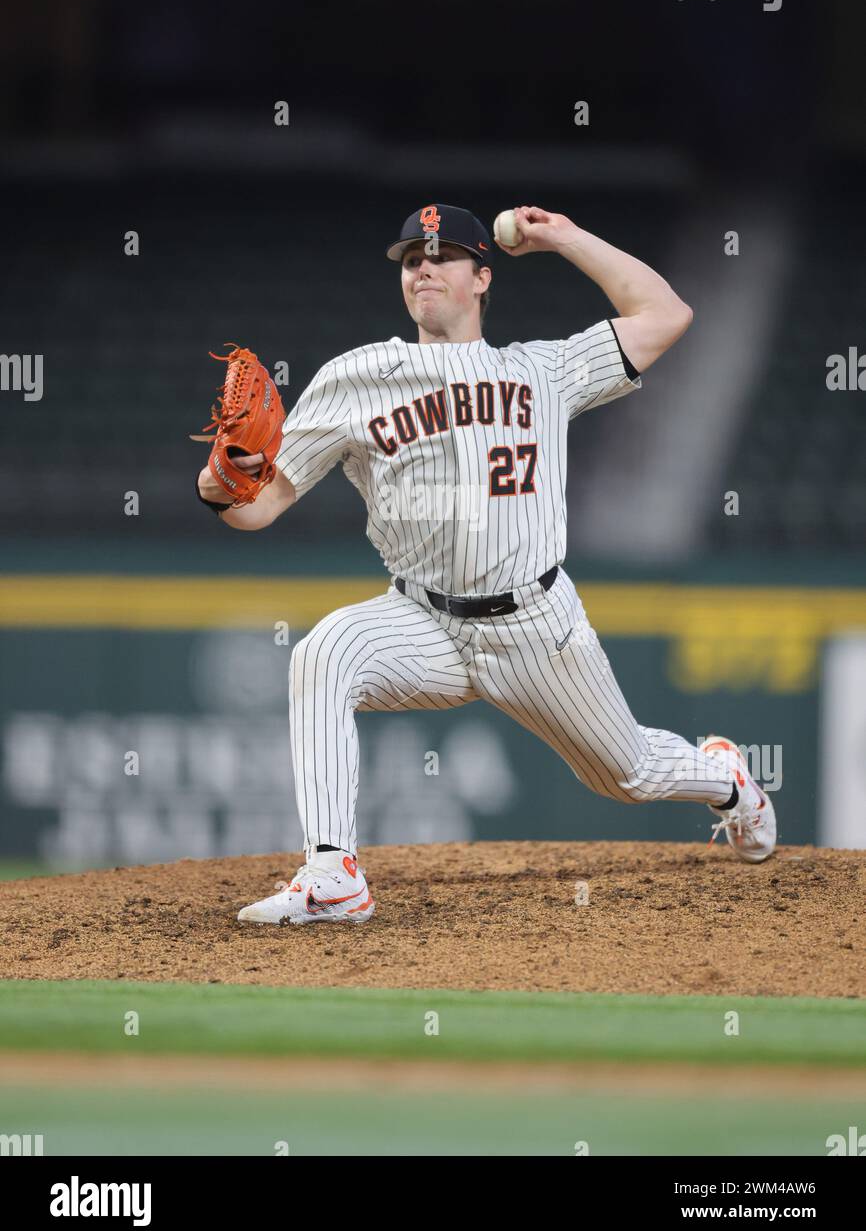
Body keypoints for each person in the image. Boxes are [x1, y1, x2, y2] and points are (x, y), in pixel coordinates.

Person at [196, 203, 776, 927]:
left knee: (626, 773)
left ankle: (724, 777)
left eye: (441, 256)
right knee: (323, 653)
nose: (424, 269)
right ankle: (332, 874)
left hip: (535, 627)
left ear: (482, 278)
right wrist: (225, 474)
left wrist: (565, 239)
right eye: (411, 259)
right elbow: (260, 504)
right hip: (422, 620)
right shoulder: (357, 377)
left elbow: (666, 314)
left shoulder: (541, 370)